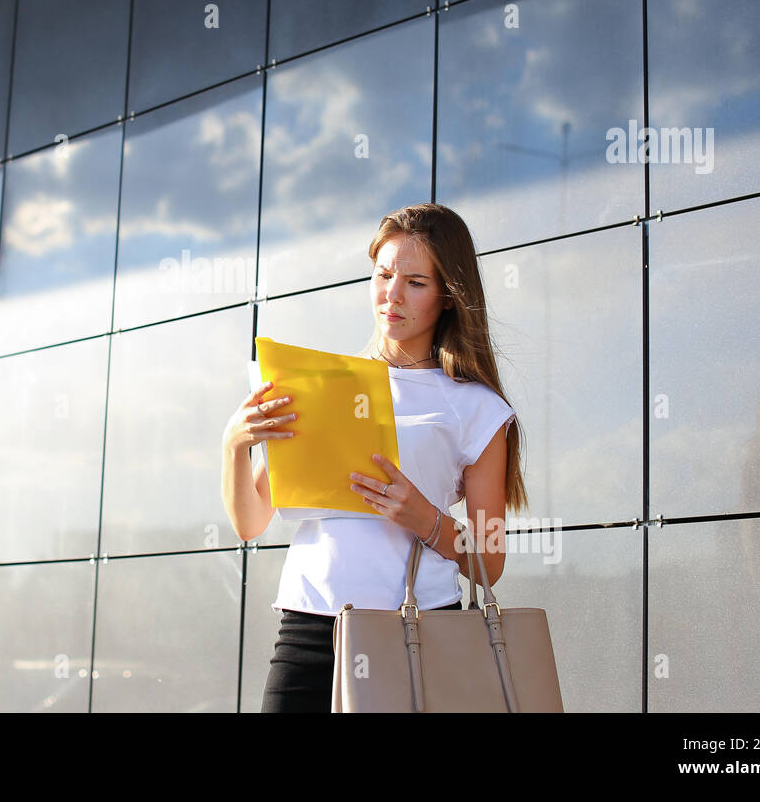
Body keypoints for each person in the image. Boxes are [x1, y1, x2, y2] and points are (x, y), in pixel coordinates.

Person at [220, 202, 530, 712]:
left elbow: (489, 560)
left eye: (415, 282)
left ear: (449, 295)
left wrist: (424, 518)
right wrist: (234, 443)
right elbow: (251, 521)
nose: (392, 294)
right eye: (383, 274)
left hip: (415, 628)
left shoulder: (476, 407)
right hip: (308, 625)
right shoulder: (321, 385)